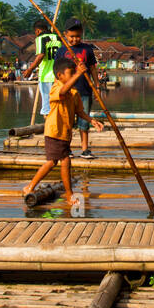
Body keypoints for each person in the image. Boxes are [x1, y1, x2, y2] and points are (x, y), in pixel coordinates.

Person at [22, 56, 105, 207]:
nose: (73, 75)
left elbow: (80, 111)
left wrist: (92, 121)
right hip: (54, 132)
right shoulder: (56, 88)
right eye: (70, 73)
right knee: (64, 161)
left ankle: (30, 186)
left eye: (74, 72)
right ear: (59, 76)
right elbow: (62, 92)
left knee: (52, 162)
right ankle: (69, 194)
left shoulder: (74, 92)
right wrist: (78, 74)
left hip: (64, 134)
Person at [59, 18, 99, 158]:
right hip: (69, 91)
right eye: (72, 36)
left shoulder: (87, 49)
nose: (75, 39)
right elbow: (57, 72)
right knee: (68, 121)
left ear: (81, 34)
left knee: (84, 121)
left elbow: (93, 68)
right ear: (65, 35)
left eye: (77, 36)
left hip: (84, 90)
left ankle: (85, 149)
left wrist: (97, 85)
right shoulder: (62, 50)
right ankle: (67, 149)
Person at [21, 19, 61, 120]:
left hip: (46, 76)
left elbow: (41, 55)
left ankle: (49, 128)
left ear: (38, 31)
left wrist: (30, 69)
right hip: (59, 77)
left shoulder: (40, 39)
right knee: (57, 103)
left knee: (47, 106)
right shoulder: (57, 37)